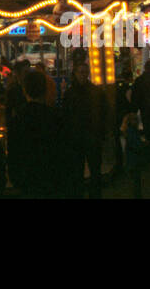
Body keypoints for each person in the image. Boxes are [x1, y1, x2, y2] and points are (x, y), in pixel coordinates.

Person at [7, 71, 61, 198]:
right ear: (45, 90)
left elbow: (14, 152)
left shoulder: (18, 118)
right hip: (51, 178)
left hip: (27, 179)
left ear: (25, 90)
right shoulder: (56, 117)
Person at [61, 59, 106, 198]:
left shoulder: (71, 93)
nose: (83, 75)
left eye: (85, 72)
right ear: (75, 73)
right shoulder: (93, 92)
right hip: (82, 137)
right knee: (84, 170)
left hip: (83, 137)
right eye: (81, 72)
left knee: (86, 170)